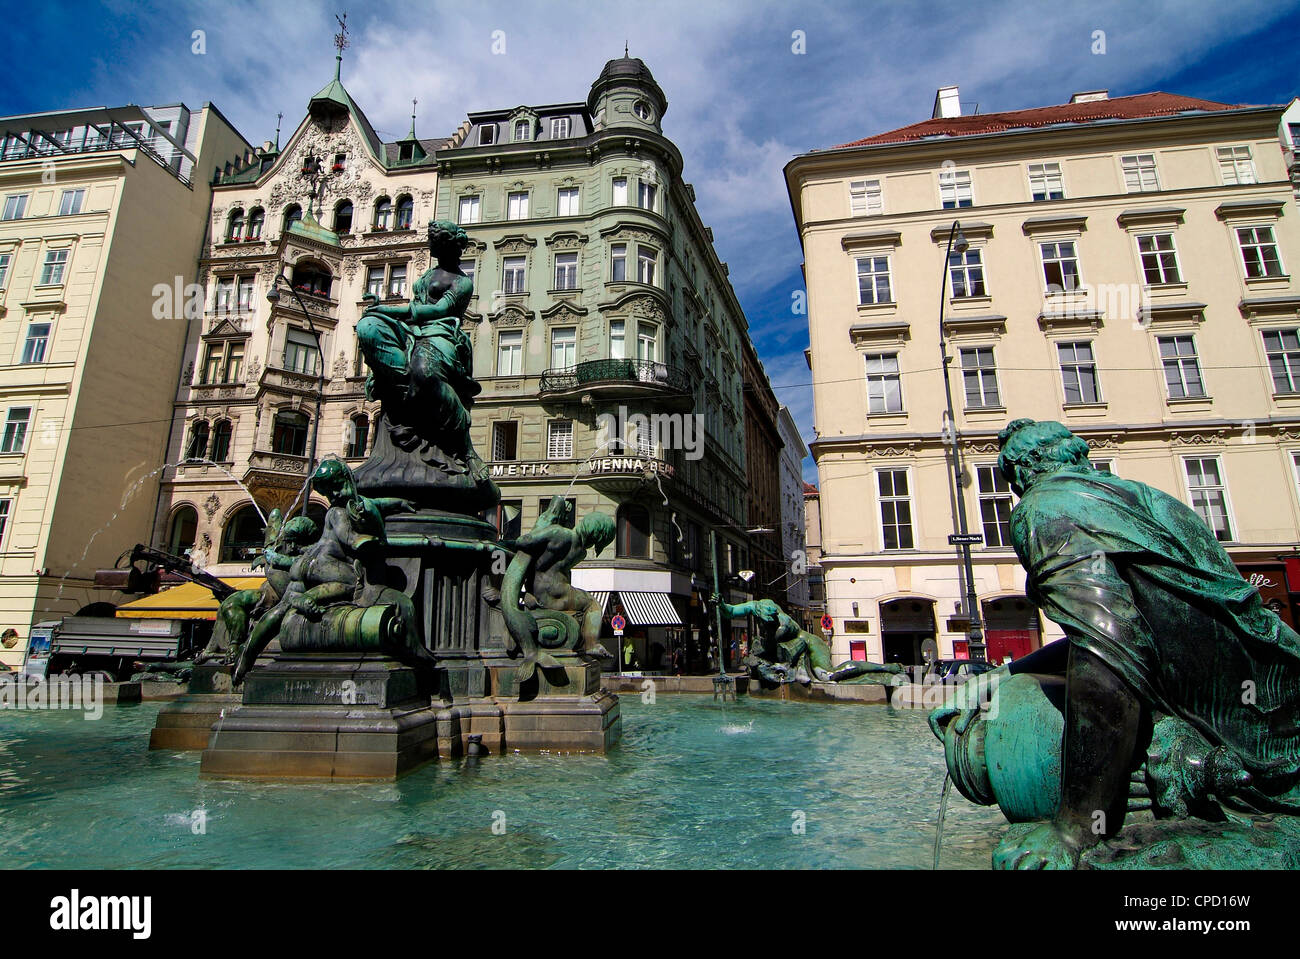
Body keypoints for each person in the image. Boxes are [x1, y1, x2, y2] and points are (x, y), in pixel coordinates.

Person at [936, 419, 1300, 869]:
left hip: (1258, 764)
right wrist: (1001, 674)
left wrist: (1075, 830)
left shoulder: (1045, 509)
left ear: (1019, 476)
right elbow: (1133, 632)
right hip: (1278, 713)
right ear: (1080, 455)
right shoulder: (1152, 502)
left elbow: (1111, 659)